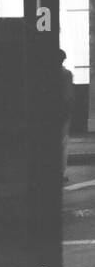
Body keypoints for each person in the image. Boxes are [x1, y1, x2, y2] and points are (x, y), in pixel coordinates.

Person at [60, 50, 75, 183]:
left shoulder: (45, 74)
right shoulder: (66, 74)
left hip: (47, 114)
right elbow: (68, 96)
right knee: (63, 143)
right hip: (63, 114)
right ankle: (60, 172)